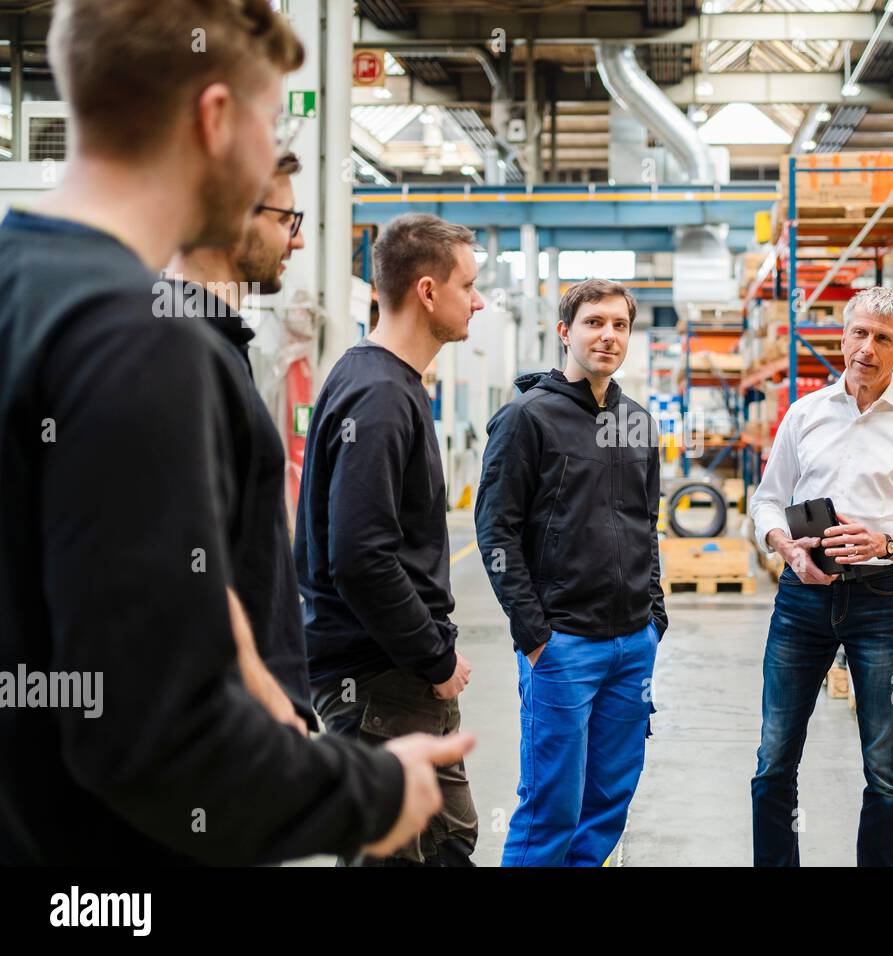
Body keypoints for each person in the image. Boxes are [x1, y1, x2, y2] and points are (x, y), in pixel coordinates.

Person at [0, 0, 469, 866]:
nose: (273, 158)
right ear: (216, 121)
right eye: (269, 120)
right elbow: (151, 738)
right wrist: (371, 788)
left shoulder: (24, 287)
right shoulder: (142, 342)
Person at [296, 213, 483, 866]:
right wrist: (434, 658)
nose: (479, 300)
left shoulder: (384, 382)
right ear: (428, 292)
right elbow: (360, 555)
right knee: (413, 849)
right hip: (381, 679)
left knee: (445, 840)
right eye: (469, 285)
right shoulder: (379, 396)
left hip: (388, 675)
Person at [748, 286, 893, 867]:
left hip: (881, 602)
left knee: (885, 769)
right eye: (859, 333)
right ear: (843, 338)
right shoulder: (803, 415)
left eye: (882, 339)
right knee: (773, 760)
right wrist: (785, 546)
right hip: (801, 598)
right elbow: (765, 501)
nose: (867, 347)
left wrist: (887, 542)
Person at [475, 277, 666, 867]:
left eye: (619, 325)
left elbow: (645, 522)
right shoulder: (527, 418)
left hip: (632, 641)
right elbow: (496, 532)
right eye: (593, 322)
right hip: (562, 644)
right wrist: (533, 633)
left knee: (610, 797)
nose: (608, 335)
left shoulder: (637, 420)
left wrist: (654, 615)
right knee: (551, 803)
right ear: (565, 331)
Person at [165, 152, 312, 734]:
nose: (295, 244)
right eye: (285, 220)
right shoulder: (181, 349)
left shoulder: (219, 345)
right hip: (231, 731)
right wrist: (276, 710)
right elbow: (180, 567)